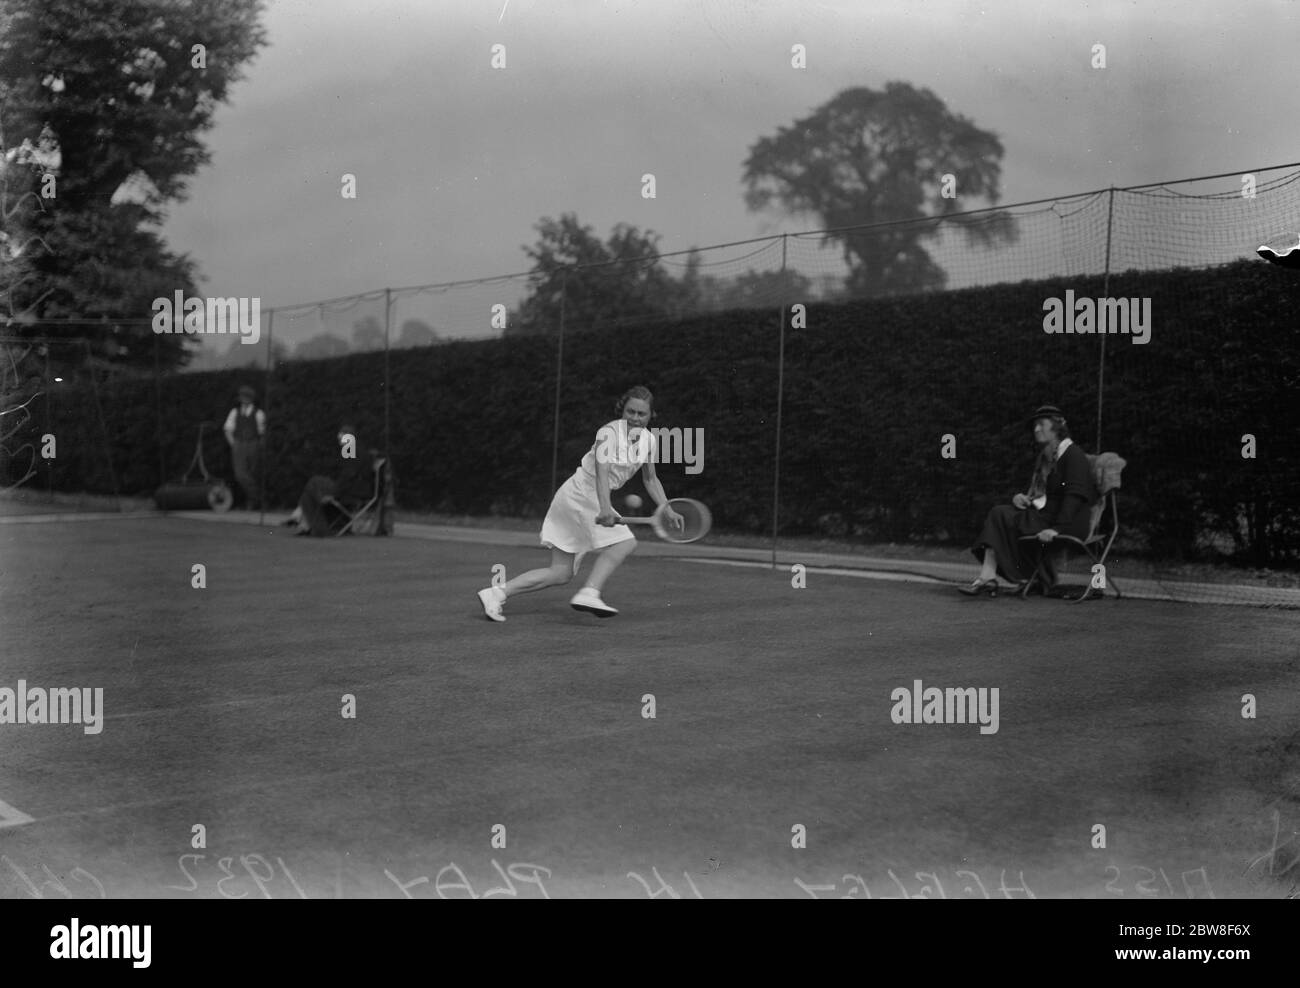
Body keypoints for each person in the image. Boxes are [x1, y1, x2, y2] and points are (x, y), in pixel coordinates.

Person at [476, 386, 683, 620]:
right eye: (630, 412)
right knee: (625, 543)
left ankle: (496, 593)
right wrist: (605, 508)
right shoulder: (608, 433)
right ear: (622, 411)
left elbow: (650, 478)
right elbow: (601, 473)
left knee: (561, 573)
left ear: (651, 415)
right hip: (581, 493)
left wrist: (667, 508)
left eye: (641, 414)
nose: (635, 418)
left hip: (580, 496)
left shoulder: (649, 441)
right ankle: (590, 592)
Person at [960, 405, 1097, 596]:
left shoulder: (1074, 455)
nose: (1036, 429)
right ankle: (989, 577)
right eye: (1035, 425)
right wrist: (1023, 498)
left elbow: (1074, 496)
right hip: (1048, 516)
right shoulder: (1048, 457)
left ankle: (992, 578)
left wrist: (1056, 529)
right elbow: (1046, 494)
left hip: (1069, 522)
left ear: (1057, 426)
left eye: (1042, 424)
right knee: (1000, 513)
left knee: (1000, 515)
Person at [285, 423, 381, 537]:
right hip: (356, 490)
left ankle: (306, 521)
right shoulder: (358, 449)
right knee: (312, 489)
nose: (339, 439)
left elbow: (348, 476)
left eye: (341, 436)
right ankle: (304, 520)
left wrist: (335, 494)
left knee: (314, 483)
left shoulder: (350, 449)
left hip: (350, 492)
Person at [223, 385, 266, 510]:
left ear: (251, 399)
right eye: (242, 397)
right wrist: (234, 444)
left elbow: (262, 432)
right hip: (238, 444)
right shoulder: (234, 412)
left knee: (253, 473)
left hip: (253, 444)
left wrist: (259, 446)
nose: (244, 400)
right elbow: (227, 429)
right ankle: (258, 498)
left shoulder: (259, 413)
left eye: (247, 398)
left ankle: (252, 501)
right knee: (240, 474)